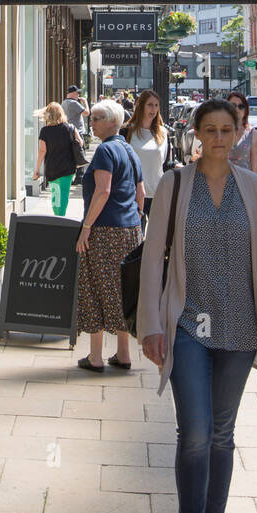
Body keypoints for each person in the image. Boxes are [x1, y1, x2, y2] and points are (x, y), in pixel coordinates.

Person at [138, 99, 257, 513]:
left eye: (228, 129)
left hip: (241, 329)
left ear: (240, 132)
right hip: (188, 327)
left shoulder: (256, 190)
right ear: (197, 134)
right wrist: (150, 326)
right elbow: (154, 258)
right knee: (195, 432)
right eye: (211, 130)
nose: (219, 138)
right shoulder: (175, 185)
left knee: (222, 434)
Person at [75, 99, 145, 373]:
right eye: (91, 118)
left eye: (96, 118)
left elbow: (103, 191)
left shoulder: (105, 151)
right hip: (130, 230)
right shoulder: (129, 150)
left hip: (105, 230)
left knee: (95, 287)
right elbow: (140, 195)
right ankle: (124, 354)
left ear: (112, 121)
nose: (91, 123)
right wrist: (134, 219)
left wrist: (86, 227)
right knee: (122, 289)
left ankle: (95, 357)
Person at [122, 88, 178, 228]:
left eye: (156, 105)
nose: (153, 109)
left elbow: (164, 164)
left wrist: (177, 166)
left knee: (157, 241)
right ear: (141, 106)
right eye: (150, 104)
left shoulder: (163, 133)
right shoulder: (127, 131)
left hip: (157, 194)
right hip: (134, 195)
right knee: (136, 242)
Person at [32, 102, 78, 216]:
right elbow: (80, 143)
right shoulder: (70, 127)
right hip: (68, 168)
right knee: (64, 194)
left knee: (56, 194)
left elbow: (42, 151)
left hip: (53, 168)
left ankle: (59, 219)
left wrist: (37, 169)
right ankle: (60, 217)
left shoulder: (45, 131)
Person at [225, 90, 257, 176]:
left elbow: (256, 167)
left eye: (241, 106)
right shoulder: (219, 131)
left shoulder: (252, 133)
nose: (237, 109)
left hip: (245, 185)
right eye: (233, 106)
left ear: (245, 110)